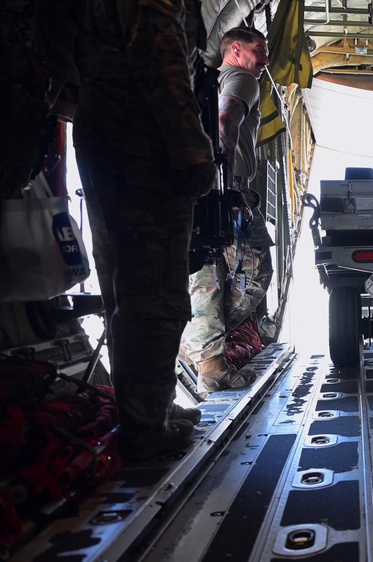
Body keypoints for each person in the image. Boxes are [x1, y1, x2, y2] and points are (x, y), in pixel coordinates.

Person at [72, 0, 215, 462]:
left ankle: (146, 407)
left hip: (104, 130)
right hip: (144, 140)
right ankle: (146, 425)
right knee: (153, 289)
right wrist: (190, 141)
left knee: (122, 283)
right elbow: (159, 45)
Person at [181, 26, 273, 396]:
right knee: (242, 272)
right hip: (224, 190)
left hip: (214, 187)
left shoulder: (218, 78)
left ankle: (203, 349)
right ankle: (206, 357)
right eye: (260, 50)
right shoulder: (242, 79)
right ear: (235, 49)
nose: (265, 59)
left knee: (216, 272)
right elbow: (225, 121)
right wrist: (226, 183)